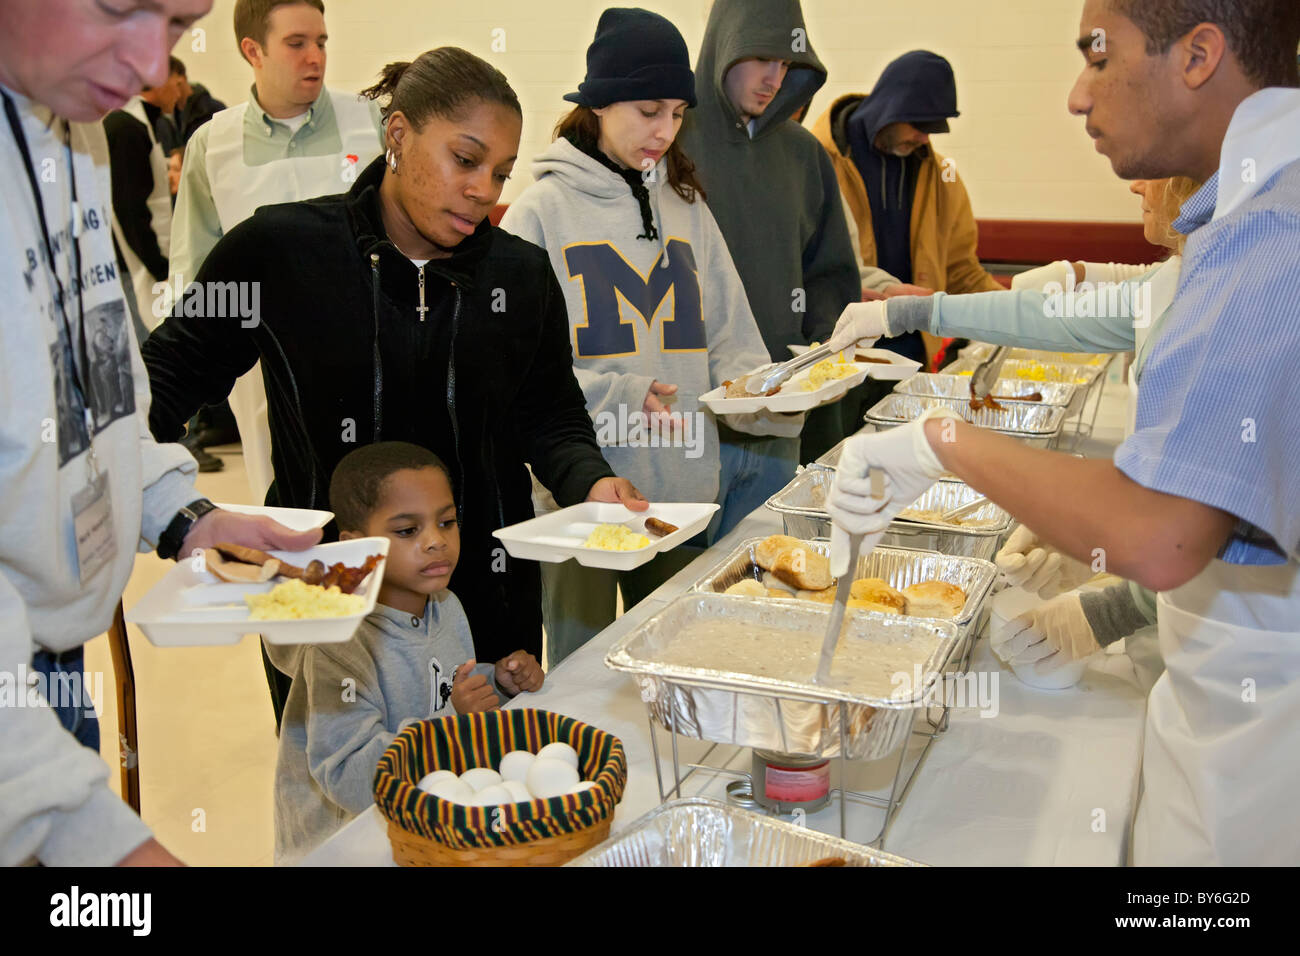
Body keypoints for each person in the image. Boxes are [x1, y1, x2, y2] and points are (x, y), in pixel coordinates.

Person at [827, 0, 1300, 866]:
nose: (1080, 96)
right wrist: (920, 307)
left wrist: (943, 443)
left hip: (1264, 764)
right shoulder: (1252, 216)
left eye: (1098, 55)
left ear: (1198, 55)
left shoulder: (1273, 229)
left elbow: (1162, 533)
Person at [143, 47, 647, 727]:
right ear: (399, 134)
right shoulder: (278, 252)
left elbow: (550, 413)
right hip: (328, 607)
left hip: (483, 609)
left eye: (499, 172)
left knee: (491, 800)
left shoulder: (520, 277)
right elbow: (160, 382)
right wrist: (168, 504)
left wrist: (592, 481)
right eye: (464, 160)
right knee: (345, 810)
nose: (483, 190)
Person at [0, 0, 323, 867]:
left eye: (179, 25)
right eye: (119, 9)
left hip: (47, 660)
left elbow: (96, 382)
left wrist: (181, 511)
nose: (150, 69)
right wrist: (96, 839)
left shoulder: (76, 124)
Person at [500, 7, 800, 666]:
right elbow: (520, 372)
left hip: (682, 492)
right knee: (579, 670)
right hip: (581, 490)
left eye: (676, 113)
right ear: (600, 103)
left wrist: (769, 392)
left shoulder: (686, 206)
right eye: (647, 110)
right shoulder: (540, 213)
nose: (665, 131)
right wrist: (622, 394)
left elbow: (729, 333)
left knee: (671, 662)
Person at [833, 175, 1197, 694]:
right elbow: (1051, 315)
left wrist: (1119, 605)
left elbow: (1235, 507)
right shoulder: (1179, 277)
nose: (1135, 184)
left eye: (1154, 169)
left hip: (1247, 673)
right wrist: (916, 310)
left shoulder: (1244, 287)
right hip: (1183, 648)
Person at [270, 442, 542, 863]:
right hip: (348, 845)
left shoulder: (446, 605)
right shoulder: (339, 645)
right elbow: (348, 779)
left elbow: (443, 686)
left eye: (447, 522)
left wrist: (497, 683)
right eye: (407, 531)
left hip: (421, 829)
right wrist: (453, 723)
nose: (437, 542)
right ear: (356, 547)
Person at [169, 0, 385, 502]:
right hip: (262, 363)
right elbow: (194, 269)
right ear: (253, 50)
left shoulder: (368, 122)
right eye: (296, 43)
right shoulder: (213, 144)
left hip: (365, 348)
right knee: (281, 500)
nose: (315, 57)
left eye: (321, 42)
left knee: (372, 495)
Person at [678, 0, 860, 518]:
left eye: (786, 64)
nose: (774, 78)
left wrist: (823, 358)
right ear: (724, 48)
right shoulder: (671, 140)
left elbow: (829, 273)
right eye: (761, 58)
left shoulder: (804, 155)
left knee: (760, 566)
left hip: (780, 416)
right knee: (674, 583)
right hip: (688, 414)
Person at [812, 50, 1004, 427]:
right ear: (890, 107)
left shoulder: (941, 177)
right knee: (836, 469)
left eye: (932, 130)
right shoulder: (816, 160)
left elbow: (962, 270)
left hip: (911, 358)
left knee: (899, 475)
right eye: (918, 125)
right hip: (838, 355)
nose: (923, 138)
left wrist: (1011, 311)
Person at [104, 56, 185, 336]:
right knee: (148, 342)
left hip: (151, 260)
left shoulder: (144, 124)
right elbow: (129, 210)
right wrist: (160, 268)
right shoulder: (126, 127)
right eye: (176, 83)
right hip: (136, 265)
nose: (180, 92)